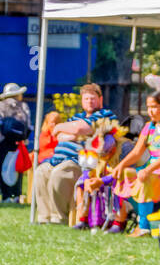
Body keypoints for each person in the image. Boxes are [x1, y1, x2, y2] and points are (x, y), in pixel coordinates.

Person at [33, 85, 115, 224]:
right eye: (86, 98)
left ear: (100, 99)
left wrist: (62, 127)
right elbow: (58, 136)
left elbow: (79, 128)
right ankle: (44, 217)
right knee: (40, 172)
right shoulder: (76, 117)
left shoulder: (105, 114)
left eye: (93, 98)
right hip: (57, 158)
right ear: (82, 101)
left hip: (80, 161)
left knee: (59, 174)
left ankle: (58, 217)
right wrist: (75, 134)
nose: (89, 101)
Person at [113, 91, 160, 236]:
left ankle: (144, 226)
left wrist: (148, 170)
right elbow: (136, 152)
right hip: (153, 170)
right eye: (148, 107)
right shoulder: (149, 127)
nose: (150, 111)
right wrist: (120, 166)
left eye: (154, 107)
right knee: (124, 174)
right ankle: (120, 219)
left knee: (144, 178)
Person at [0, 82, 32, 203]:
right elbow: (29, 125)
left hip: (3, 140)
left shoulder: (0, 105)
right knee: (16, 166)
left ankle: (5, 195)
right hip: (18, 142)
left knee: (3, 167)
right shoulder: (23, 106)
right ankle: (17, 194)